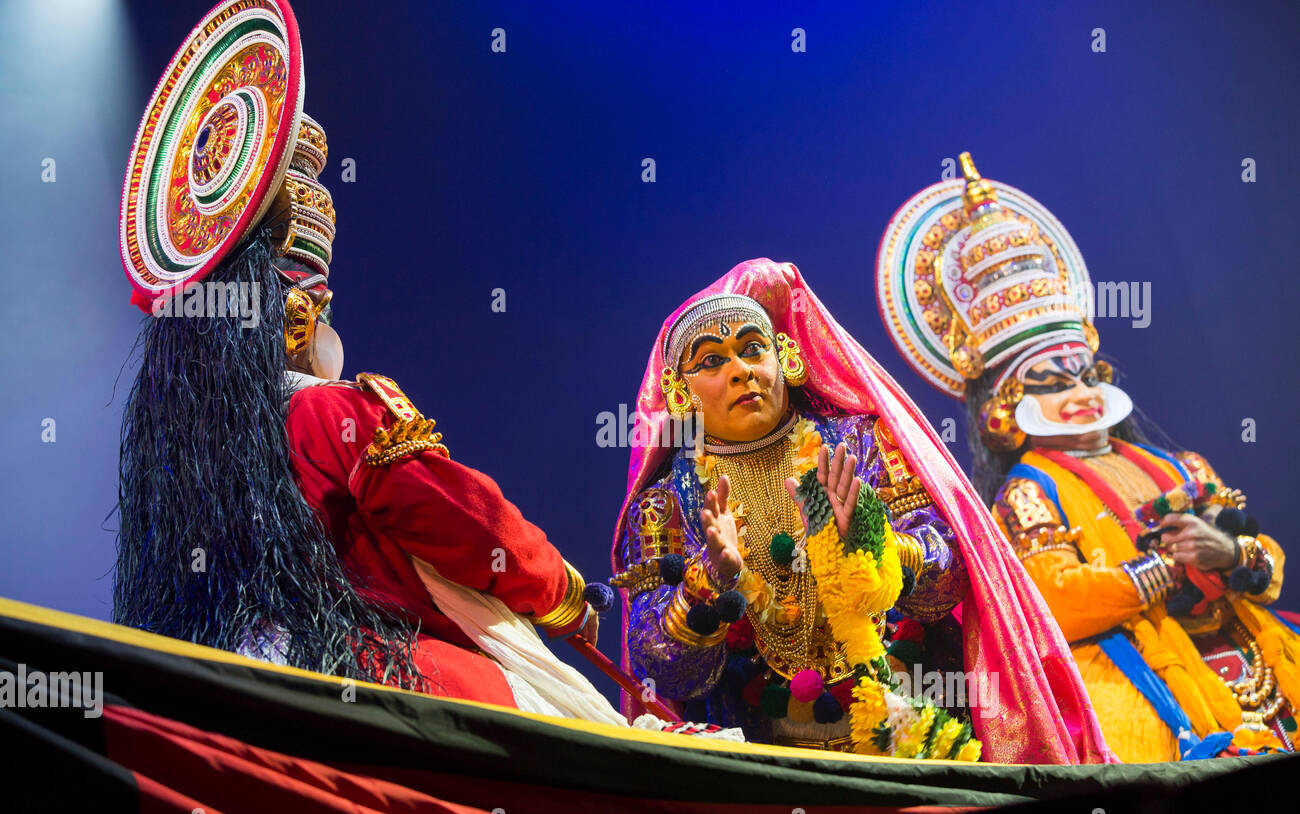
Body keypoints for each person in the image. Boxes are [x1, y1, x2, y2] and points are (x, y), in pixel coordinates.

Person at [113, 0, 618, 724]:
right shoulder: (327, 411)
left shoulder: (181, 449)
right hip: (363, 664)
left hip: (230, 672)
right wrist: (562, 590)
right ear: (300, 313)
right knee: (549, 728)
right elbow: (466, 520)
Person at [877, 153, 1297, 761]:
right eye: (1052, 382)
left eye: (1085, 375)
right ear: (1006, 406)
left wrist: (1230, 553)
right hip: (1143, 677)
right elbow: (1055, 601)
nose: (1077, 394)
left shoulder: (1185, 468)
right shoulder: (1027, 493)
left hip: (1260, 654)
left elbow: (1269, 563)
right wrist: (1168, 570)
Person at [611, 259, 1114, 763]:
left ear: (785, 356)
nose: (741, 369)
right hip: (765, 758)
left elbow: (953, 581)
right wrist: (707, 584)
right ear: (679, 393)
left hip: (917, 724)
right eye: (712, 361)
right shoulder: (666, 503)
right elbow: (663, 672)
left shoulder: (861, 440)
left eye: (752, 348)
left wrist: (878, 545)